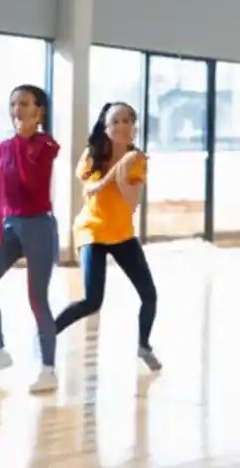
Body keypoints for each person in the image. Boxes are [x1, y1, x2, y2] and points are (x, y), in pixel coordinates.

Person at [54, 102, 161, 371]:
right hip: (92, 231)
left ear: (134, 127)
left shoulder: (137, 161)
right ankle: (47, 335)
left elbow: (131, 201)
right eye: (116, 121)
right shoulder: (93, 154)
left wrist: (124, 172)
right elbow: (90, 188)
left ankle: (144, 346)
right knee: (93, 301)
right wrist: (109, 175)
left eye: (127, 121)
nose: (122, 126)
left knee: (149, 295)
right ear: (107, 127)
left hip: (122, 233)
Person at [0, 84, 62, 394]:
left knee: (37, 298)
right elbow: (1, 194)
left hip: (38, 226)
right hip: (9, 225)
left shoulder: (47, 145)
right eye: (14, 103)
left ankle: (48, 369)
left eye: (24, 104)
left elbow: (30, 181)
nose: (17, 109)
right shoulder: (3, 147)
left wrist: (23, 140)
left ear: (39, 111)